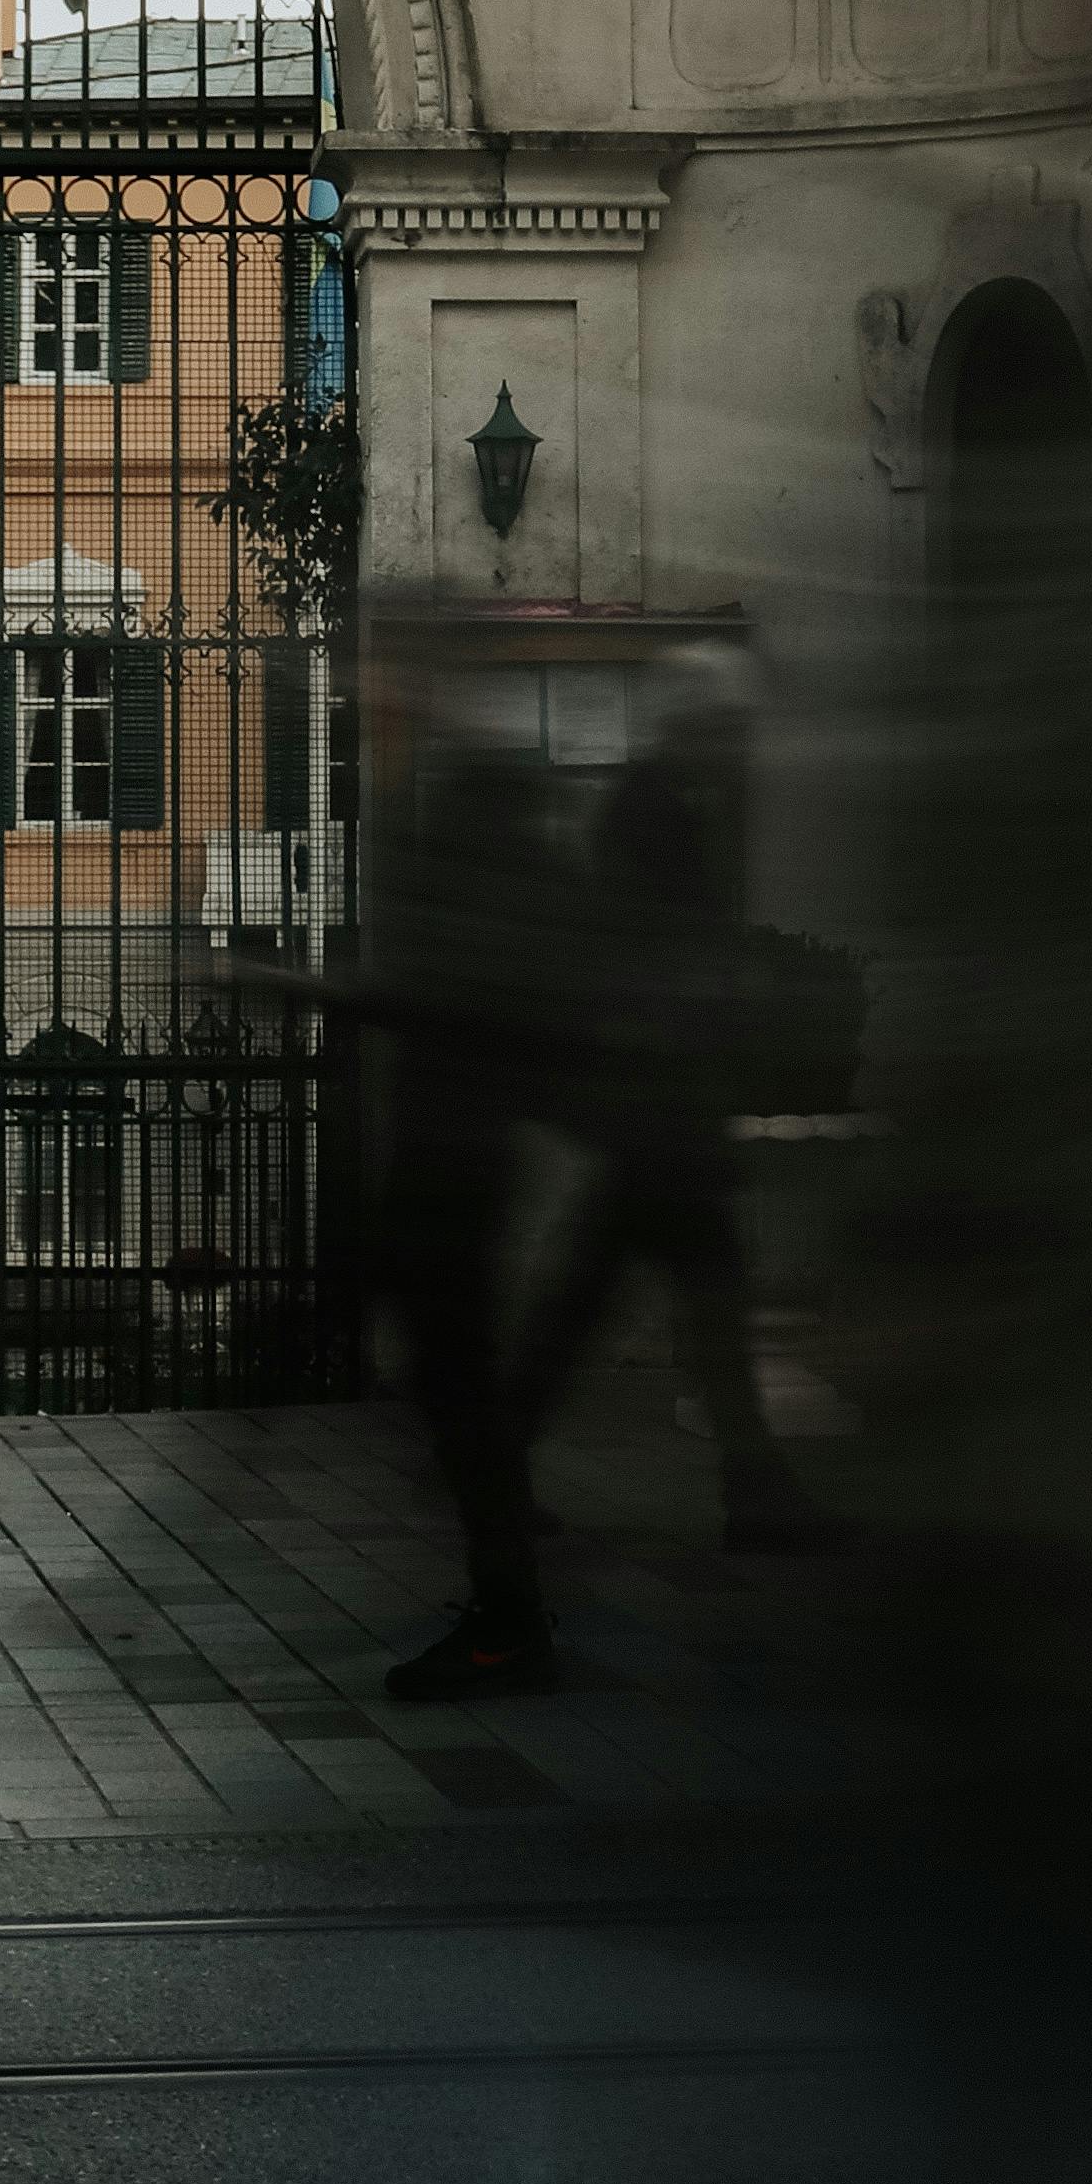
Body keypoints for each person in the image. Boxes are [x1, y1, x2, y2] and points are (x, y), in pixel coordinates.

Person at [376, 714, 819, 1710]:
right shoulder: (570, 868)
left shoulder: (498, 890)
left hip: (480, 1175)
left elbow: (477, 1021)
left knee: (481, 1392)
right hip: (552, 1158)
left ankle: (514, 1616)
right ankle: (736, 1496)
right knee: (498, 1381)